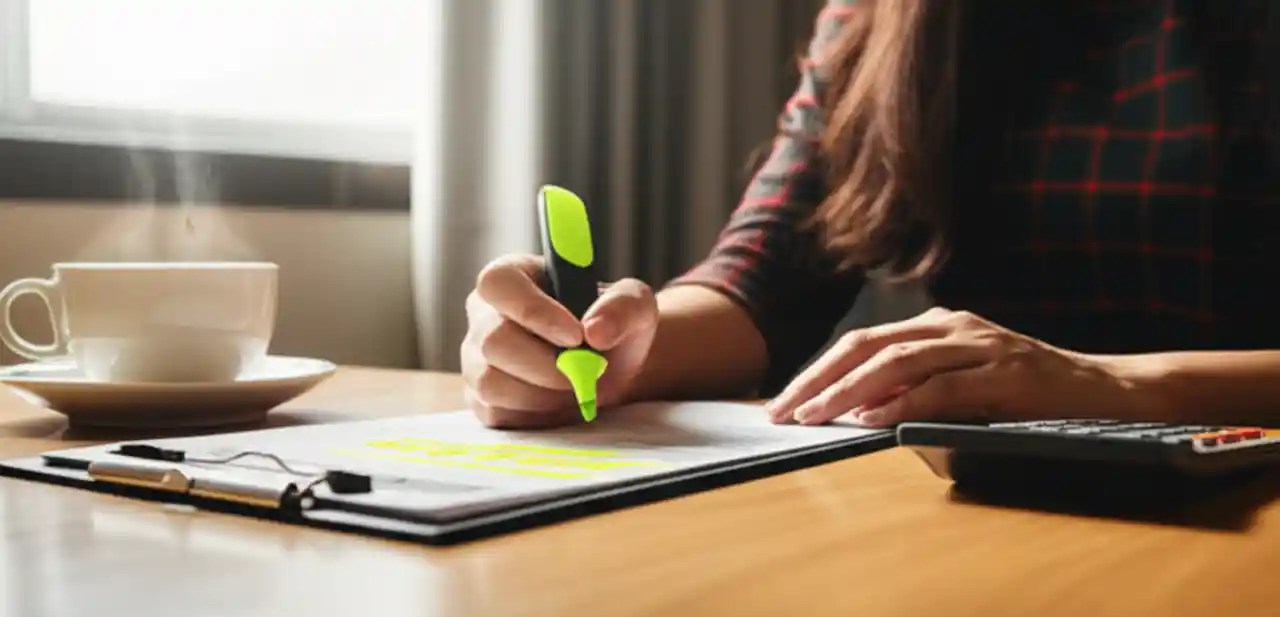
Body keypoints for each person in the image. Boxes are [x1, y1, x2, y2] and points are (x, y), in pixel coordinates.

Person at [461, 0, 1278, 430]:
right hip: (987, 508)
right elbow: (762, 277)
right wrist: (618, 346)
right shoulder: (888, 16)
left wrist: (1122, 384)